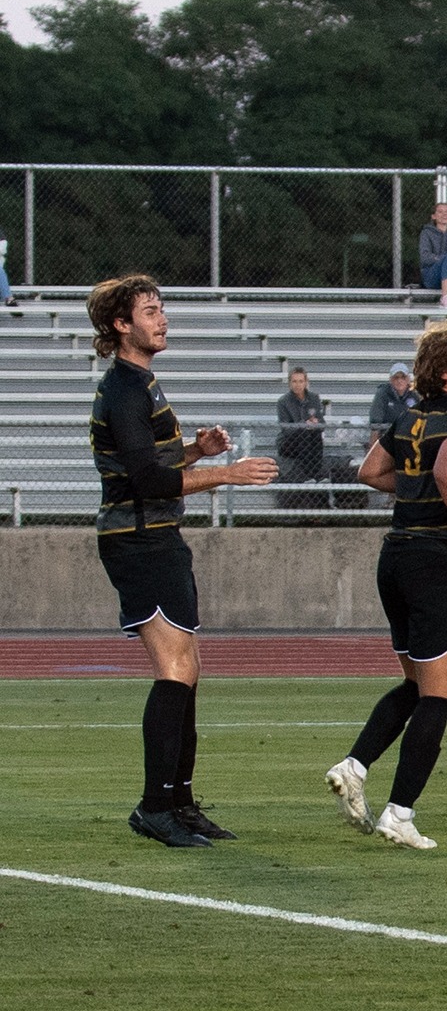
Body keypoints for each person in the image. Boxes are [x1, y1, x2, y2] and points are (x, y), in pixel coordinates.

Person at [87, 274, 279, 847]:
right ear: (122, 326)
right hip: (139, 540)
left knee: (188, 668)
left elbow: (147, 460)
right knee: (174, 668)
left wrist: (199, 451)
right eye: (149, 311)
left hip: (159, 536)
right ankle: (155, 807)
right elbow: (145, 478)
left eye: (161, 308)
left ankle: (180, 801)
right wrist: (228, 473)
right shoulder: (122, 389)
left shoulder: (143, 385)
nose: (162, 318)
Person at [327, 321, 447, 849]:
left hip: (394, 556)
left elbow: (371, 471)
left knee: (417, 686)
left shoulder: (409, 414)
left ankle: (355, 765)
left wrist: (416, 486)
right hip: (432, 559)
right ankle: (399, 813)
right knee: (440, 695)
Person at [275, 367, 326, 485]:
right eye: (294, 381)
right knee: (305, 434)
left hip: (310, 439)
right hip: (289, 443)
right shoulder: (283, 401)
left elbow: (322, 423)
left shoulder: (314, 398)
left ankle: (316, 475)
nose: (297, 385)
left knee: (315, 434)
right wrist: (303, 424)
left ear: (306, 382)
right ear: (289, 383)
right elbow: (286, 429)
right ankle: (308, 476)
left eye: (301, 381)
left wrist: (316, 423)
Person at [369, 363, 418, 445]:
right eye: (396, 377)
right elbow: (375, 423)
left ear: (408, 379)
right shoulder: (383, 394)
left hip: (410, 437)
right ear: (391, 379)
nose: (399, 381)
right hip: (387, 438)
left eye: (403, 377)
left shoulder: (415, 394)